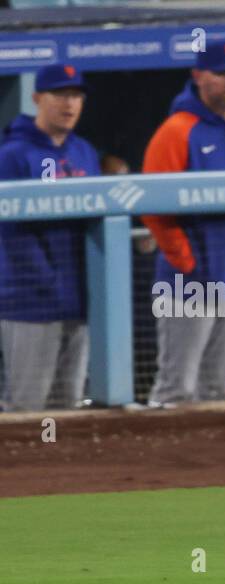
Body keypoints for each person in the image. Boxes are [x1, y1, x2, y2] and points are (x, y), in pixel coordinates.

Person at [142, 40, 225, 407]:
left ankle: (205, 465)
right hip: (189, 283)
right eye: (222, 73)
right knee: (176, 388)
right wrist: (186, 262)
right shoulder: (177, 130)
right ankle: (161, 463)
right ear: (199, 76)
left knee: (217, 389)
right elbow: (152, 206)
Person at [0, 63, 100, 413]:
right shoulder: (12, 155)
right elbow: (11, 233)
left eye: (76, 95)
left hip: (78, 300)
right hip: (29, 304)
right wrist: (48, 281)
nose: (69, 104)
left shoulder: (84, 151)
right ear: (37, 97)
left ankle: (64, 469)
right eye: (60, 95)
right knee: (28, 406)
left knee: (68, 404)